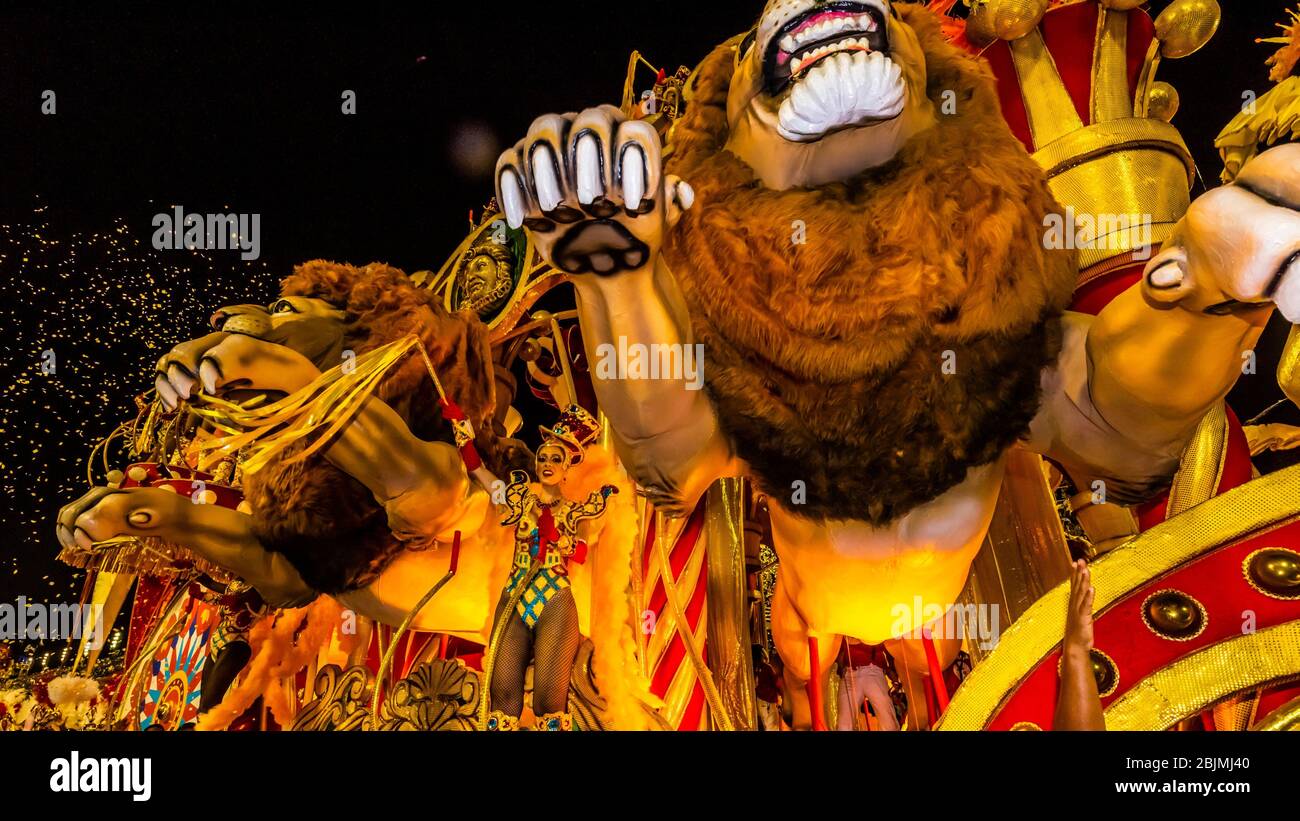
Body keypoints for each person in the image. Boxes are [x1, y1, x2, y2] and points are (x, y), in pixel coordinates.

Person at [444, 400, 615, 730]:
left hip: (554, 600)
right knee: (502, 697)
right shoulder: (519, 498)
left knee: (549, 703)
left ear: (568, 468)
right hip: (515, 596)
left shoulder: (577, 510)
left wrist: (558, 540)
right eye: (543, 458)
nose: (547, 463)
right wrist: (462, 432)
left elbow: (580, 554)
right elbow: (480, 473)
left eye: (556, 459)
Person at [836, 640, 899, 731]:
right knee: (843, 725)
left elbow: (889, 647)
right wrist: (840, 666)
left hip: (873, 670)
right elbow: (838, 647)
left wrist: (892, 669)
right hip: (849, 673)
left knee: (888, 721)